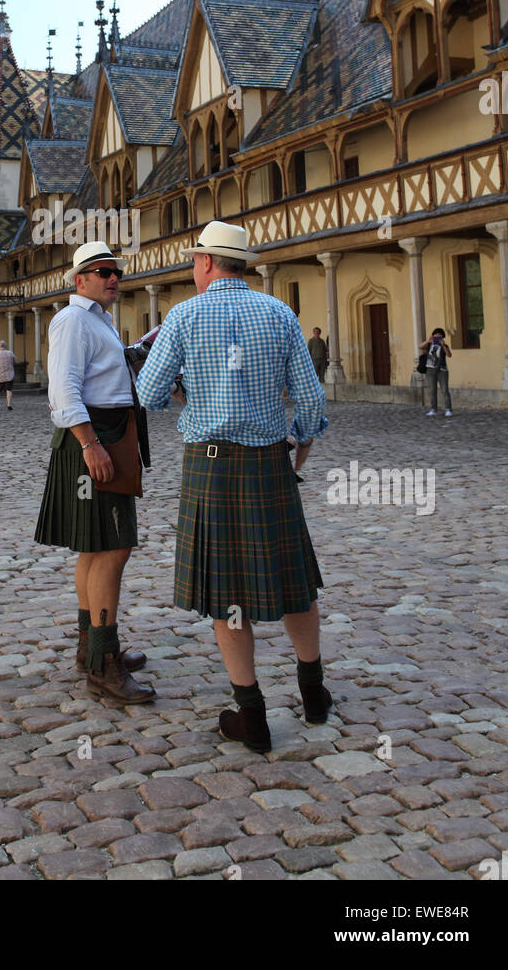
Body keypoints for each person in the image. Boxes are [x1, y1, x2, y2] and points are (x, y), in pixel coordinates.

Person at [136, 221, 329, 754]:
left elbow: (149, 393)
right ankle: (313, 694)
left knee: (228, 596)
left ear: (205, 264)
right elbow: (311, 405)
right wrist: (299, 444)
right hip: (269, 465)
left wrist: (191, 396)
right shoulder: (280, 314)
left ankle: (253, 717)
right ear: (240, 264)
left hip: (212, 467)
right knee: (294, 581)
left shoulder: (184, 316)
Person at [34, 240, 154, 706]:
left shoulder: (96, 320)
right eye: (102, 271)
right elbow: (64, 387)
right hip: (95, 438)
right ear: (79, 278)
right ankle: (104, 666)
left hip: (107, 434)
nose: (113, 278)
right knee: (112, 547)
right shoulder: (71, 320)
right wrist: (90, 444)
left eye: (115, 271)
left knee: (95, 547)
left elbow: (100, 372)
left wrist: (134, 351)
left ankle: (93, 649)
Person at [420, 327, 452, 417]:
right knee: (432, 390)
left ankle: (448, 409)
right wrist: (428, 341)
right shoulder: (430, 345)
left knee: (445, 390)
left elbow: (449, 355)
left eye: (439, 336)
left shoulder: (445, 345)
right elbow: (420, 347)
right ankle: (433, 409)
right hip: (430, 370)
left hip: (442, 370)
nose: (437, 337)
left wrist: (443, 345)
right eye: (435, 335)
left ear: (442, 337)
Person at [0, 341, 16, 410]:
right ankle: (9, 405)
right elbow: (15, 361)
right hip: (9, 375)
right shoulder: (10, 353)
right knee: (9, 390)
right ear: (5, 346)